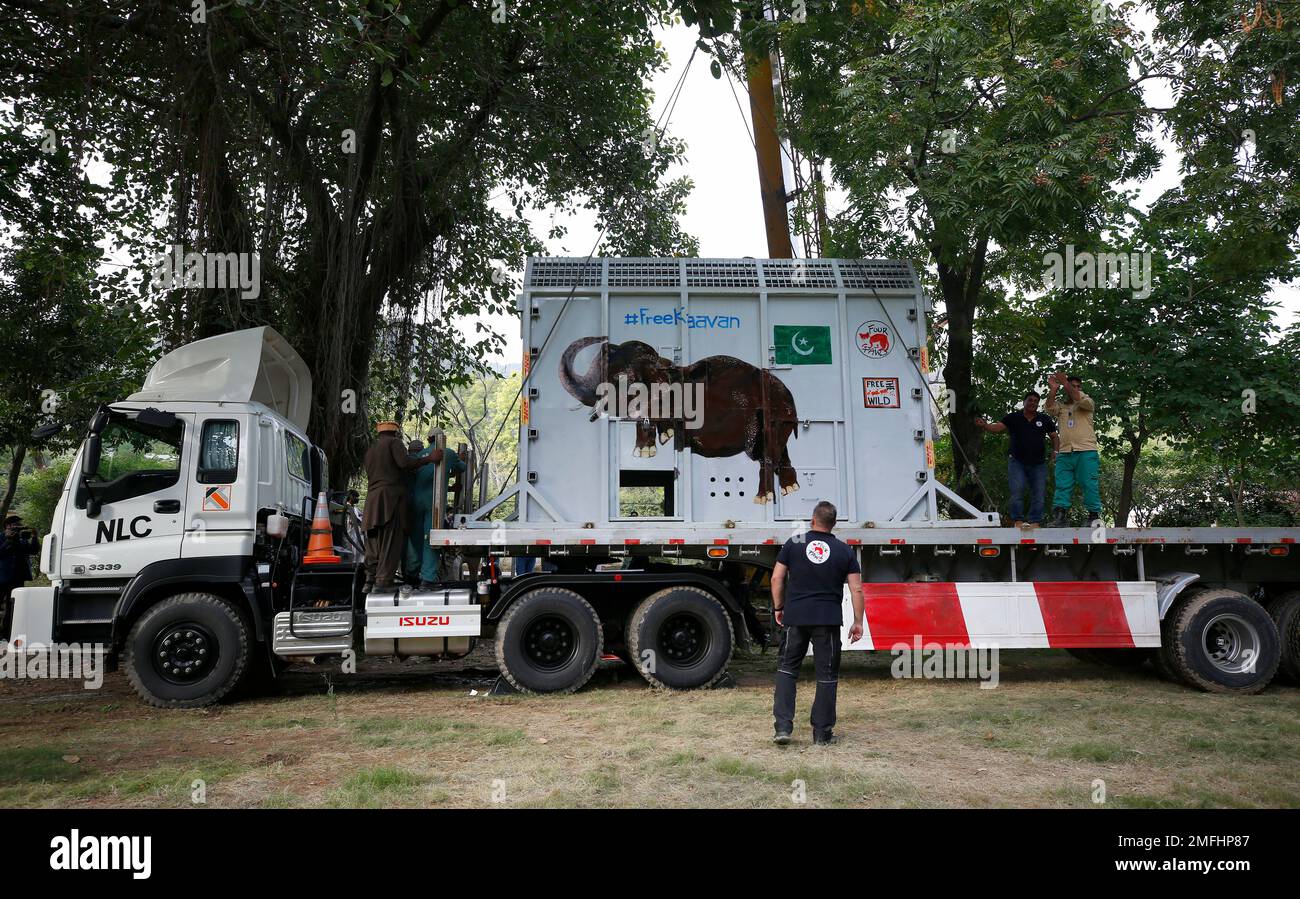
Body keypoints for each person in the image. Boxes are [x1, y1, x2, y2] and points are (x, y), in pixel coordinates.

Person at [771, 501, 865, 746]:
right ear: (834, 525)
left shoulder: (795, 543)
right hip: (828, 620)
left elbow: (776, 578)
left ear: (812, 520)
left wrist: (779, 607)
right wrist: (858, 622)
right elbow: (856, 589)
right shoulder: (844, 550)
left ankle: (782, 728)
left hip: (796, 617)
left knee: (787, 669)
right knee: (827, 675)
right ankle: (822, 734)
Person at [361, 421, 441, 593]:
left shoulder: (371, 449)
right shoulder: (394, 443)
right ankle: (383, 582)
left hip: (373, 501)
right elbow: (404, 463)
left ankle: (370, 579)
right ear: (395, 433)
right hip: (390, 500)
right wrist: (429, 459)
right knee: (390, 542)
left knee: (374, 543)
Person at [974, 390, 1059, 528]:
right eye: (1030, 400)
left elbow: (1055, 436)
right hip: (1017, 462)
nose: (1032, 403)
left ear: (1038, 404)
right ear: (1024, 402)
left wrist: (1056, 451)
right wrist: (985, 425)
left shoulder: (1044, 419)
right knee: (1017, 490)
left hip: (1038, 463)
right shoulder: (1013, 417)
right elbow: (997, 428)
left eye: (1035, 401)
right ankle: (1018, 521)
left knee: (1039, 492)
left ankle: (1034, 521)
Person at [404, 436, 466, 589]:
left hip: (415, 504)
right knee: (431, 539)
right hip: (434, 504)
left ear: (429, 439)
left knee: (416, 540)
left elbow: (425, 473)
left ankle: (411, 574)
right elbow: (462, 468)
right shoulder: (447, 452)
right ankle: (428, 578)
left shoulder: (419, 456)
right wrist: (460, 458)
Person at [1045, 372, 1102, 527]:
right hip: (1064, 452)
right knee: (1062, 484)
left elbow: (1077, 397)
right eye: (1072, 386)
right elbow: (1049, 408)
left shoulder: (1087, 401)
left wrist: (1065, 383)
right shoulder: (1061, 406)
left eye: (1077, 386)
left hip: (1086, 451)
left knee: (1088, 483)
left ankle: (1093, 516)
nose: (1075, 388)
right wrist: (1054, 389)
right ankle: (1060, 517)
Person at [0, 515, 39, 640]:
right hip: (1, 576)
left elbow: (33, 550)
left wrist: (34, 537)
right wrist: (8, 540)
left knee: (12, 606)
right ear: (8, 526)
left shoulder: (22, 539)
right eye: (15, 524)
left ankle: (7, 634)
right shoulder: (1, 537)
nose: (17, 526)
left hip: (17, 577)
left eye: (18, 524)